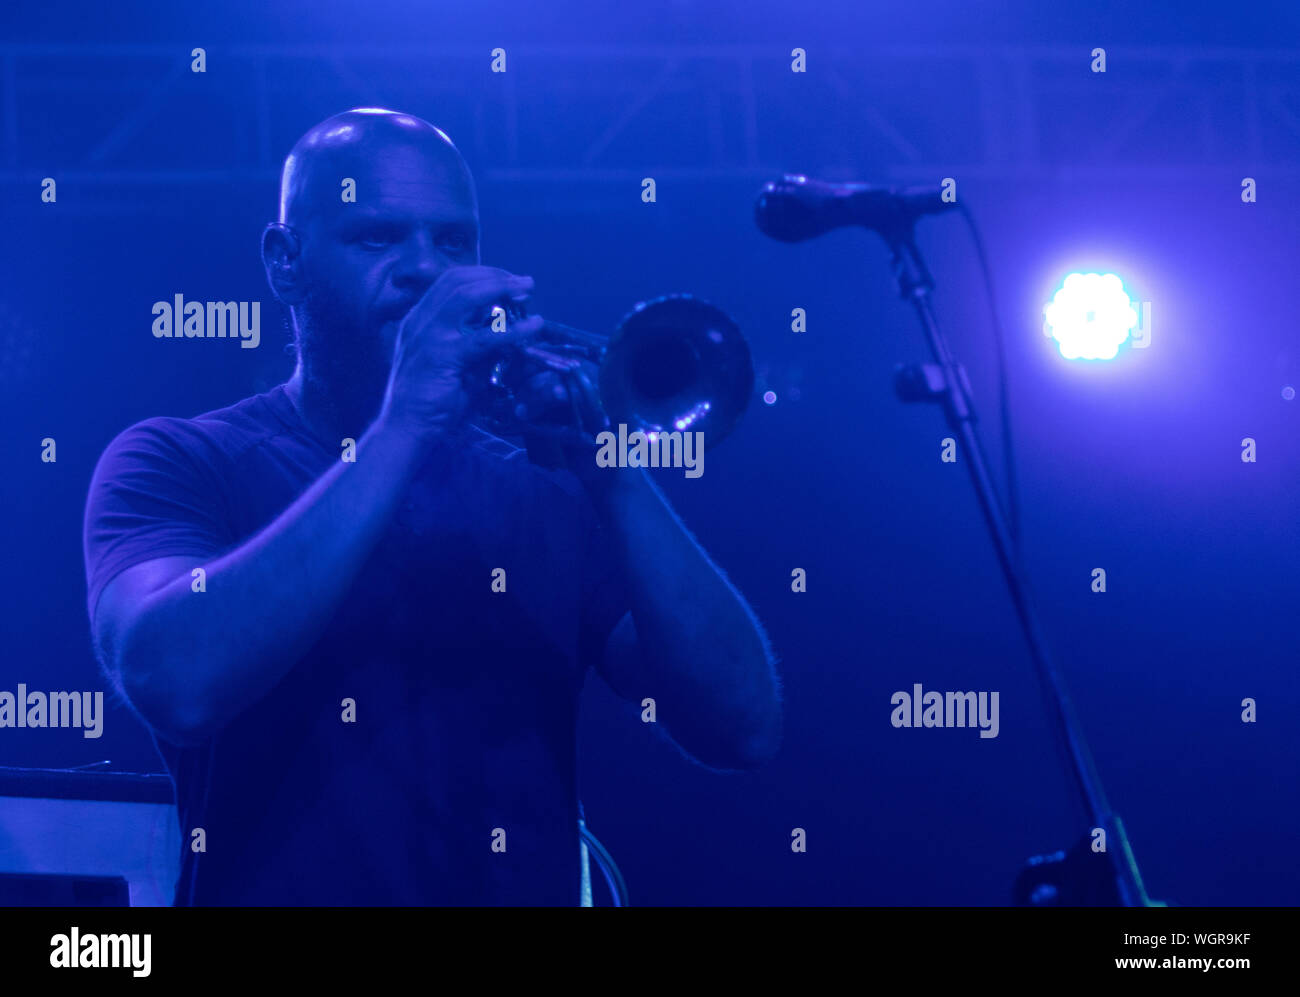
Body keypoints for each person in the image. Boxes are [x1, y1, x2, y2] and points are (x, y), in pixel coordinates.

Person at [83, 107, 781, 906]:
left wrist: (612, 470)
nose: (427, 270)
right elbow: (174, 679)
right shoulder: (178, 460)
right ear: (284, 261)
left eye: (454, 242)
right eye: (378, 238)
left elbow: (741, 727)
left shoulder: (544, 489)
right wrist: (404, 424)